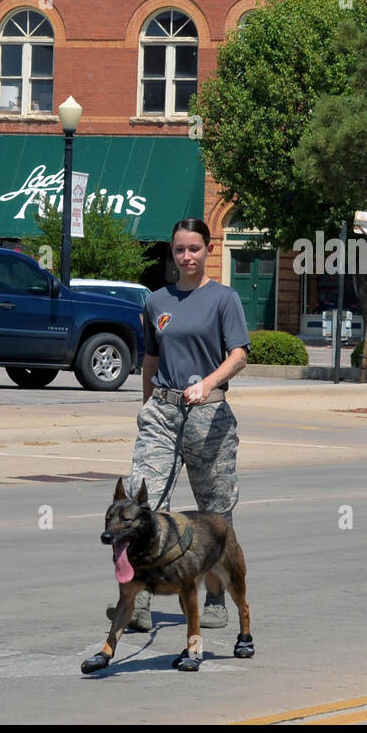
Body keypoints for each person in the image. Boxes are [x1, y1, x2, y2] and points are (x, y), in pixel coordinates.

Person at [110, 218, 251, 632]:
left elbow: (239, 354)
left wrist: (207, 384)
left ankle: (215, 596)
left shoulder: (224, 299)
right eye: (178, 249)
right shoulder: (156, 302)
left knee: (215, 511)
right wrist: (147, 406)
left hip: (209, 414)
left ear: (209, 250)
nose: (186, 257)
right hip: (163, 410)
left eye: (194, 249)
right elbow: (150, 360)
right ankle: (136, 600)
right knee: (143, 504)